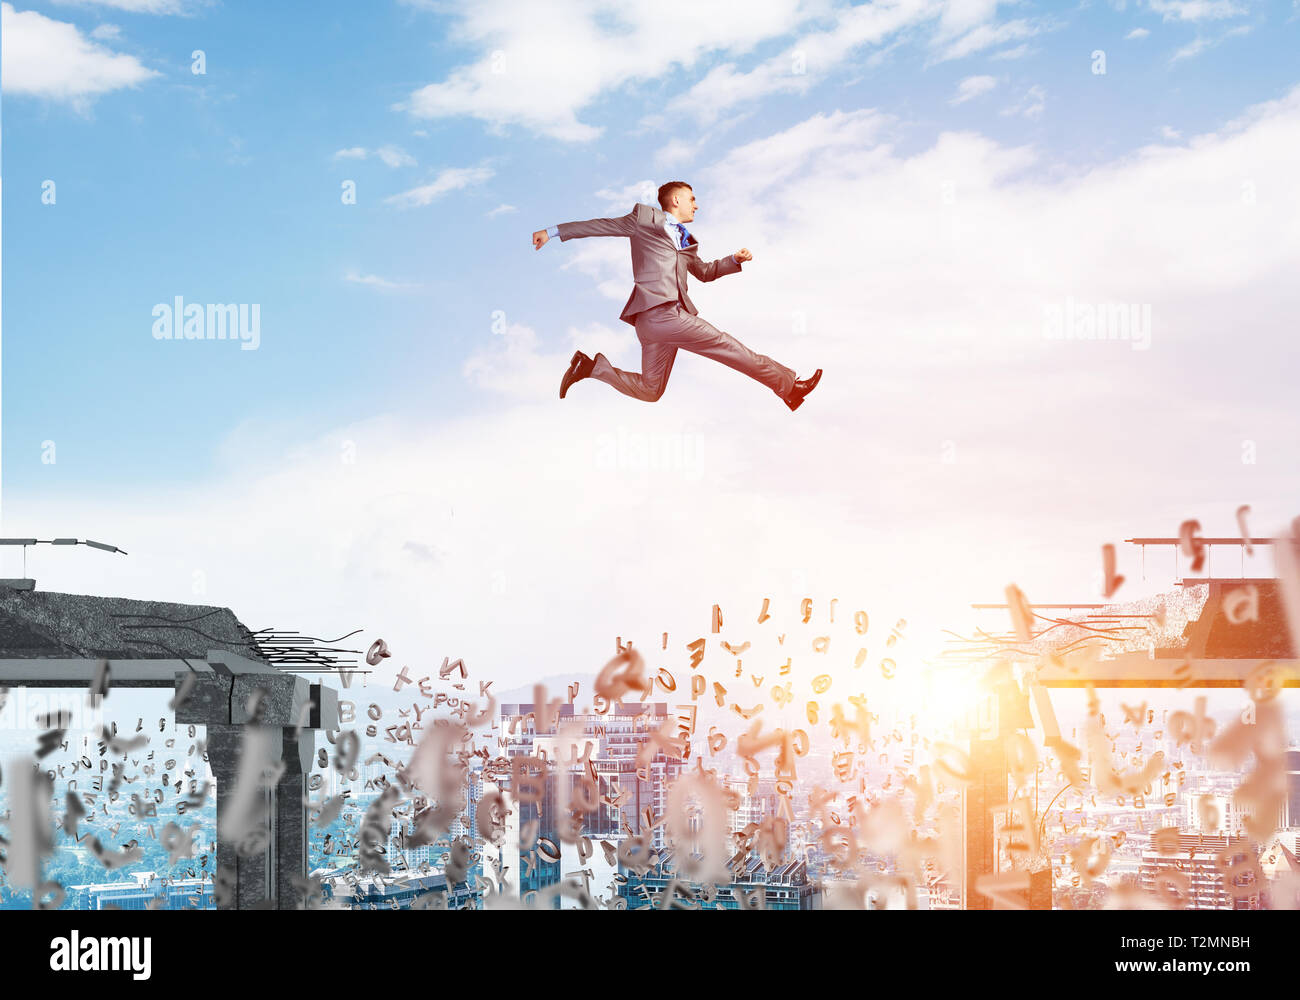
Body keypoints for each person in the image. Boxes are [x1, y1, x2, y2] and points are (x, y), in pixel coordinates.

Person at [532, 181, 822, 411]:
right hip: (663, 313)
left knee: (650, 390)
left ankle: (592, 368)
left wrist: (733, 260)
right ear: (676, 200)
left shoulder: (686, 240)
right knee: (727, 346)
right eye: (692, 199)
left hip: (655, 327)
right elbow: (601, 225)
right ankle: (789, 387)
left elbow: (705, 272)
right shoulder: (643, 220)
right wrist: (552, 231)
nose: (697, 205)